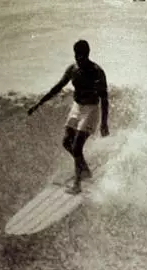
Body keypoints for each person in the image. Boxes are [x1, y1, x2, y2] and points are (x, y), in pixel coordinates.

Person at [27, 40, 109, 194]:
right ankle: (84, 169)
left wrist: (104, 123)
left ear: (87, 54)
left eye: (82, 56)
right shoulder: (73, 69)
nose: (79, 59)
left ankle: (77, 185)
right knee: (66, 142)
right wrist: (38, 104)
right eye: (77, 56)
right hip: (77, 107)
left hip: (91, 109)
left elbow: (104, 98)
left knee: (77, 146)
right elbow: (57, 88)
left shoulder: (97, 72)